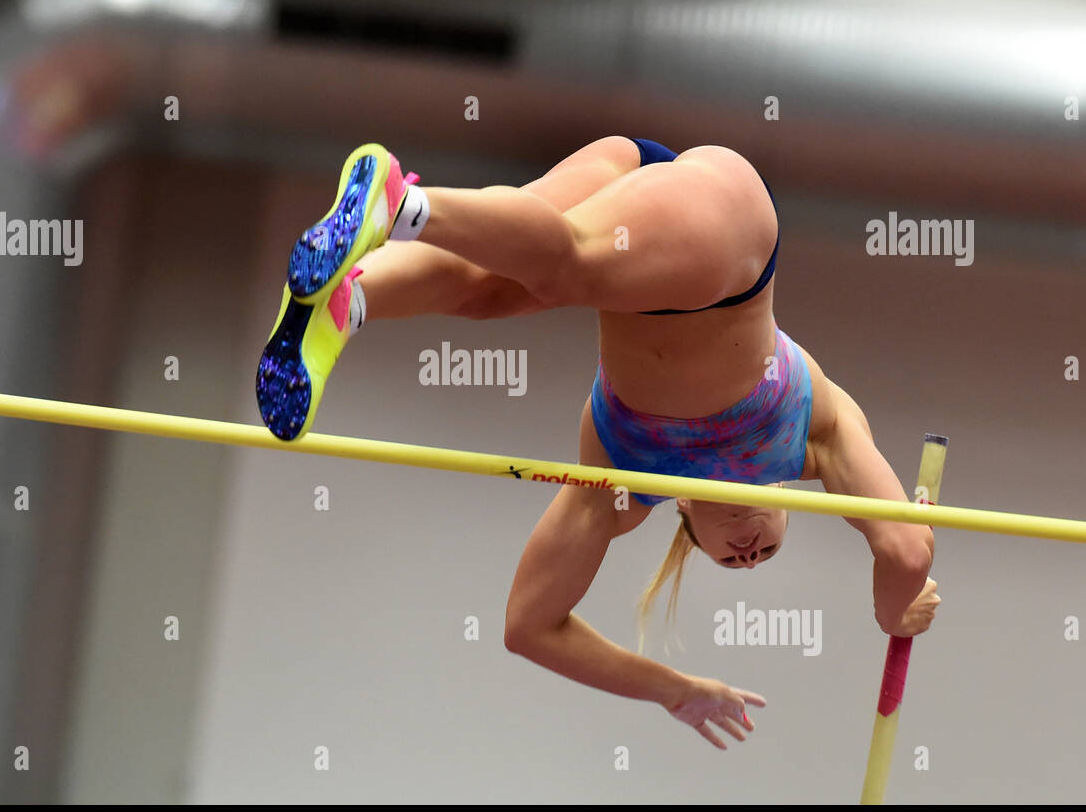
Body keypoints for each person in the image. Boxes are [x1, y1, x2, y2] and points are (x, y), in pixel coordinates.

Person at [256, 137, 940, 750]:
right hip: (728, 242)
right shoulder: (812, 435)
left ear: (685, 518)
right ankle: (398, 204)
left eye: (736, 562)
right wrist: (893, 612)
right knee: (567, 265)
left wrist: (671, 689)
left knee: (484, 290)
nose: (751, 553)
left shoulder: (622, 483)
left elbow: (529, 625)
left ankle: (337, 309)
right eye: (769, 546)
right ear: (790, 499)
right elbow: (907, 547)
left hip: (634, 195)